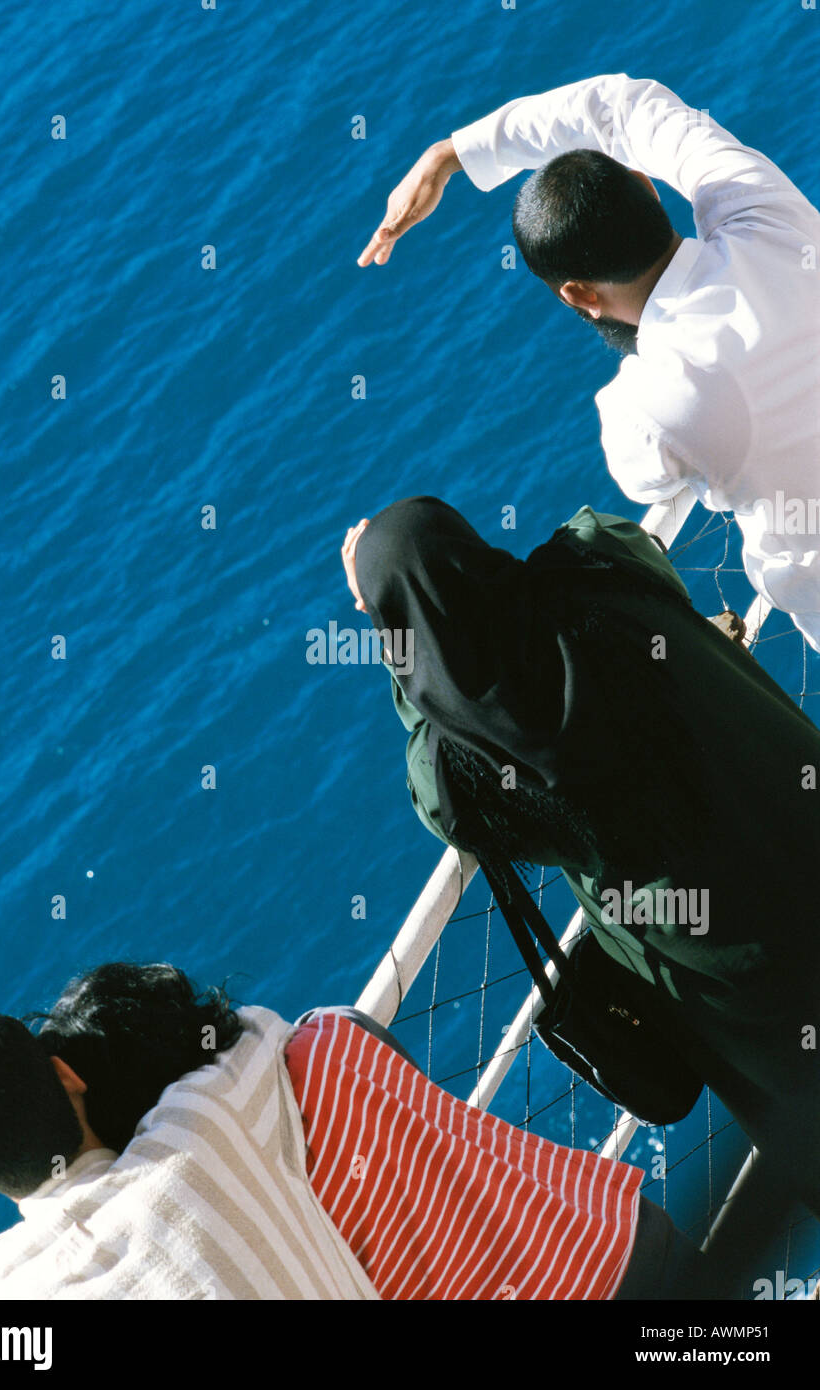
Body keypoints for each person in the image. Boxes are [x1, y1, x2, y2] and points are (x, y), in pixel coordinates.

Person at [341, 497, 820, 1231]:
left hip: (735, 976)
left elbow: (427, 776)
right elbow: (617, 535)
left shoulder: (463, 768)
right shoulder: (598, 566)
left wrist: (395, 639)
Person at [0, 961, 726, 1299]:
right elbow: (263, 1036)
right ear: (66, 1077)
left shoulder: (3, 1287)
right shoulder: (214, 1126)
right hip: (615, 1239)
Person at [357, 74, 820, 651]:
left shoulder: (651, 400)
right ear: (648, 188)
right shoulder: (770, 216)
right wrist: (447, 157)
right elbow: (623, 106)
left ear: (577, 294)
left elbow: (643, 474)